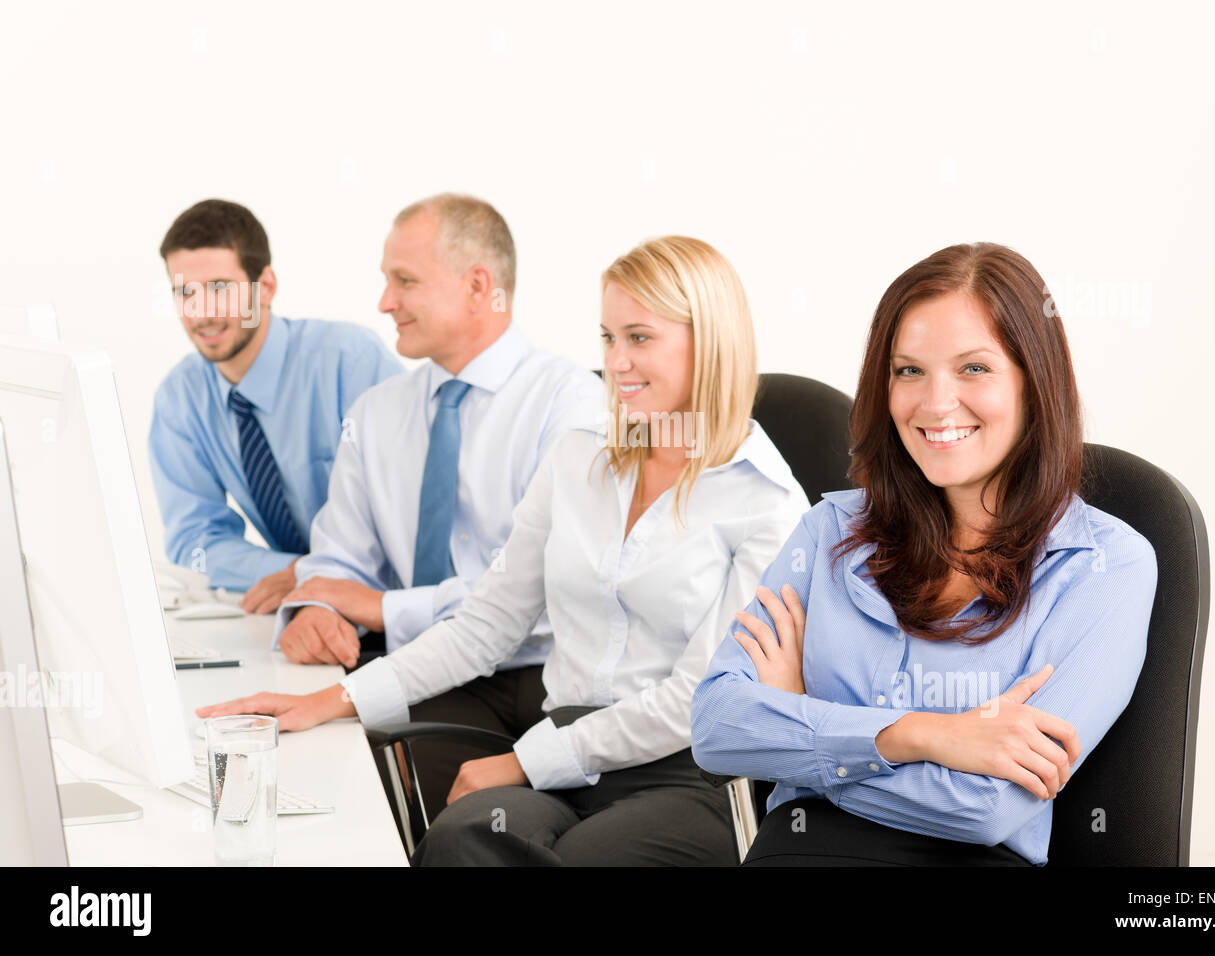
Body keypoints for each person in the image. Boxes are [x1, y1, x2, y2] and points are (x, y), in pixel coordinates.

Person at [198, 235, 810, 865]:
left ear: (708, 342)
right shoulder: (579, 458)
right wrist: (327, 702)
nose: (616, 362)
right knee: (466, 835)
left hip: (686, 772)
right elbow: (487, 624)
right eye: (607, 338)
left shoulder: (766, 502)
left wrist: (523, 760)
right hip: (567, 756)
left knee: (585, 858)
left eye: (639, 337)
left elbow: (702, 696)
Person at [691, 242, 1159, 867]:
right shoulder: (828, 532)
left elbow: (987, 806)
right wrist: (925, 734)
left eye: (973, 368)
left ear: (1034, 381)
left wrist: (804, 723)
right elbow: (717, 726)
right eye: (909, 371)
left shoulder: (1107, 565)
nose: (936, 404)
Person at [268, 193, 605, 687]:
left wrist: (384, 608)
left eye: (405, 281)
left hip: (542, 681)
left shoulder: (570, 403)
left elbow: (559, 594)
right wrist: (315, 611)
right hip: (411, 670)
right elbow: (338, 561)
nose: (386, 302)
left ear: (477, 286)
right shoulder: (376, 413)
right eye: (386, 281)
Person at [149, 199, 403, 611]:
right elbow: (194, 541)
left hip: (390, 607)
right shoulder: (181, 398)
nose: (201, 313)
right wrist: (304, 572)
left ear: (265, 286)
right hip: (293, 610)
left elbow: (409, 516)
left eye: (219, 289)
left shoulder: (350, 362)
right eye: (184, 292)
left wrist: (322, 575)